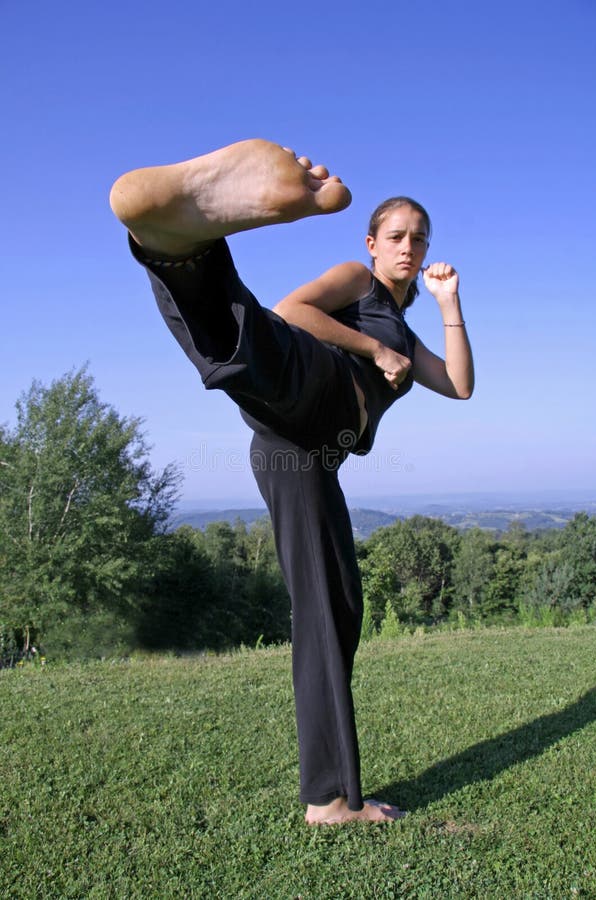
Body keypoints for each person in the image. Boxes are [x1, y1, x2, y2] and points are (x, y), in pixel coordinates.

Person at [109, 139, 474, 825]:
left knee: (335, 607)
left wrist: (448, 303)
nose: (409, 249)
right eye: (397, 236)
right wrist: (371, 348)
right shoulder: (360, 288)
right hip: (315, 398)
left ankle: (177, 252)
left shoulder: (405, 322)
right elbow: (292, 310)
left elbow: (458, 384)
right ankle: (331, 800)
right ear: (371, 242)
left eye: (419, 241)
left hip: (311, 453)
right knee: (274, 353)